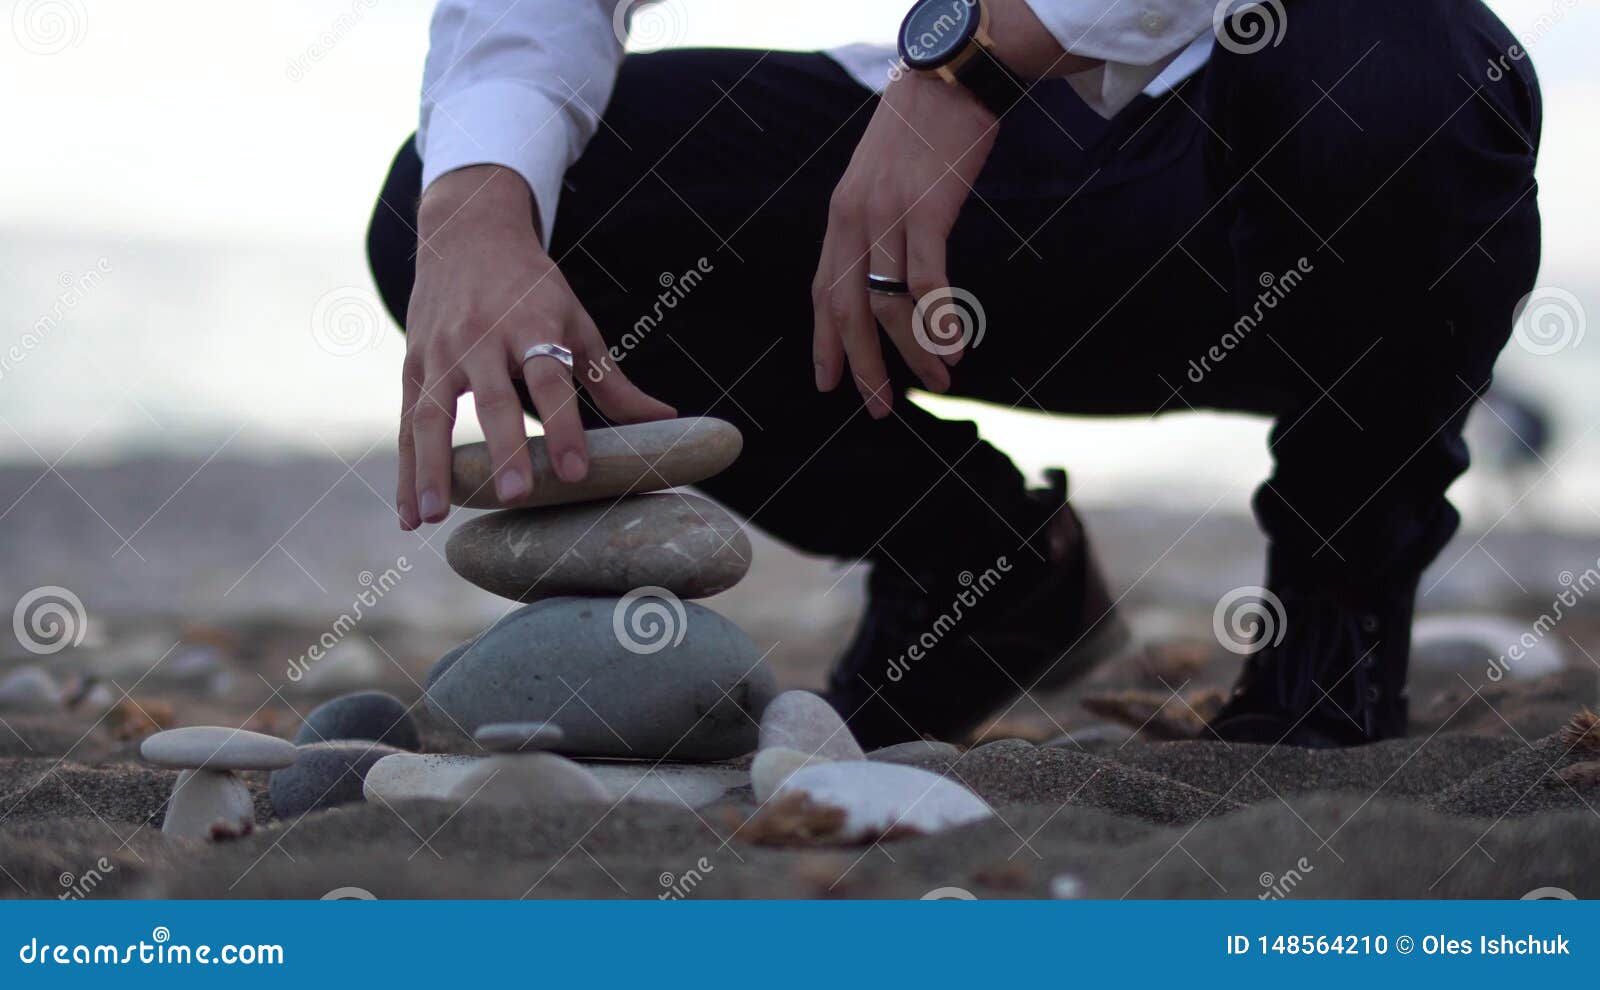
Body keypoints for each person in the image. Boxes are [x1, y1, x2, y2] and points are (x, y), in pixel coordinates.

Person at [367, 0, 1542, 748]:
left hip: (1262, 158)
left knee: (1405, 66)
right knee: (461, 206)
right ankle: (982, 569)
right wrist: (477, 209)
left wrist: (978, 53)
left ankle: (1330, 641)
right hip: (965, 199)